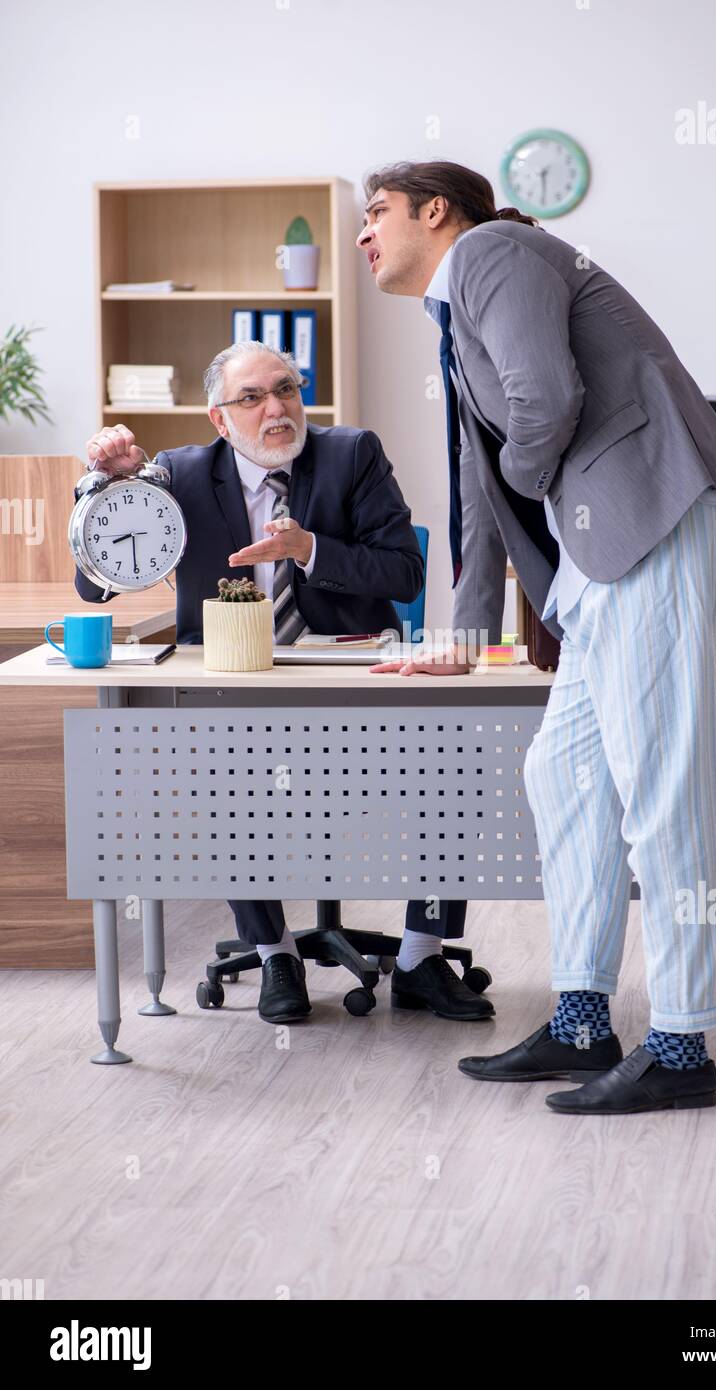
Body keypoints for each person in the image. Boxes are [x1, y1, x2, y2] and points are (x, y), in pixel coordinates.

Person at [358, 161, 716, 1116]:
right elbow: (479, 495)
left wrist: (540, 488)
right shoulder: (455, 321)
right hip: (604, 558)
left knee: (661, 789)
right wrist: (460, 638)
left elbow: (544, 404)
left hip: (647, 520)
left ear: (436, 211)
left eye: (375, 214)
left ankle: (682, 1041)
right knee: (564, 776)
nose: (364, 236)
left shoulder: (495, 251)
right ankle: (582, 1018)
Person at [75, 340, 493, 1027]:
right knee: (220, 777)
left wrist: (309, 550)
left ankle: (421, 959)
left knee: (446, 764)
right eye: (252, 398)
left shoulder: (351, 454)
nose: (276, 409)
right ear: (219, 419)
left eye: (287, 390)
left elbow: (403, 575)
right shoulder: (177, 474)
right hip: (235, 691)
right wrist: (105, 489)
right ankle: (274, 954)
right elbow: (95, 586)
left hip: (356, 681)